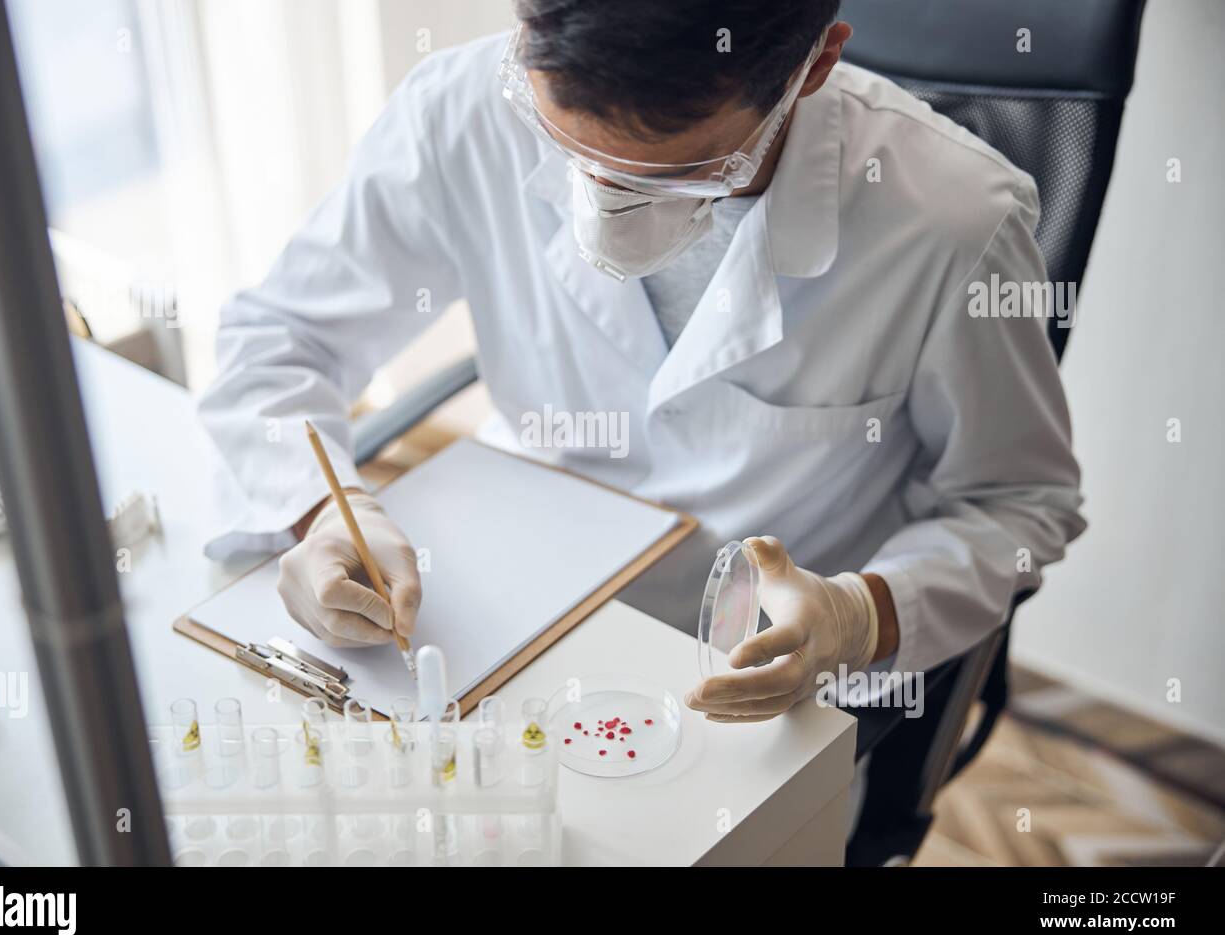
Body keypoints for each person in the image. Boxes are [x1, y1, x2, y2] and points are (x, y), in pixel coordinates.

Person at [198, 1, 1083, 735]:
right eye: (565, 146)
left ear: (813, 67)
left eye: (677, 176)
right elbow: (278, 337)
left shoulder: (952, 223)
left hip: (747, 674)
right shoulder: (462, 108)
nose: (605, 217)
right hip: (506, 606)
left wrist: (862, 616)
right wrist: (324, 508)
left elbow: (1017, 505)